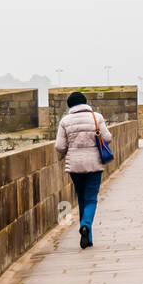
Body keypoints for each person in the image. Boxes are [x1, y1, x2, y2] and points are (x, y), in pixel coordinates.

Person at [54, 91, 112, 249]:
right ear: (85, 103)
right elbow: (107, 138)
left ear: (70, 105)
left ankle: (87, 237)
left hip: (75, 166)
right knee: (91, 199)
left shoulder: (65, 121)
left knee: (81, 199)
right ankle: (86, 226)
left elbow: (59, 146)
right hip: (94, 164)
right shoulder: (96, 117)